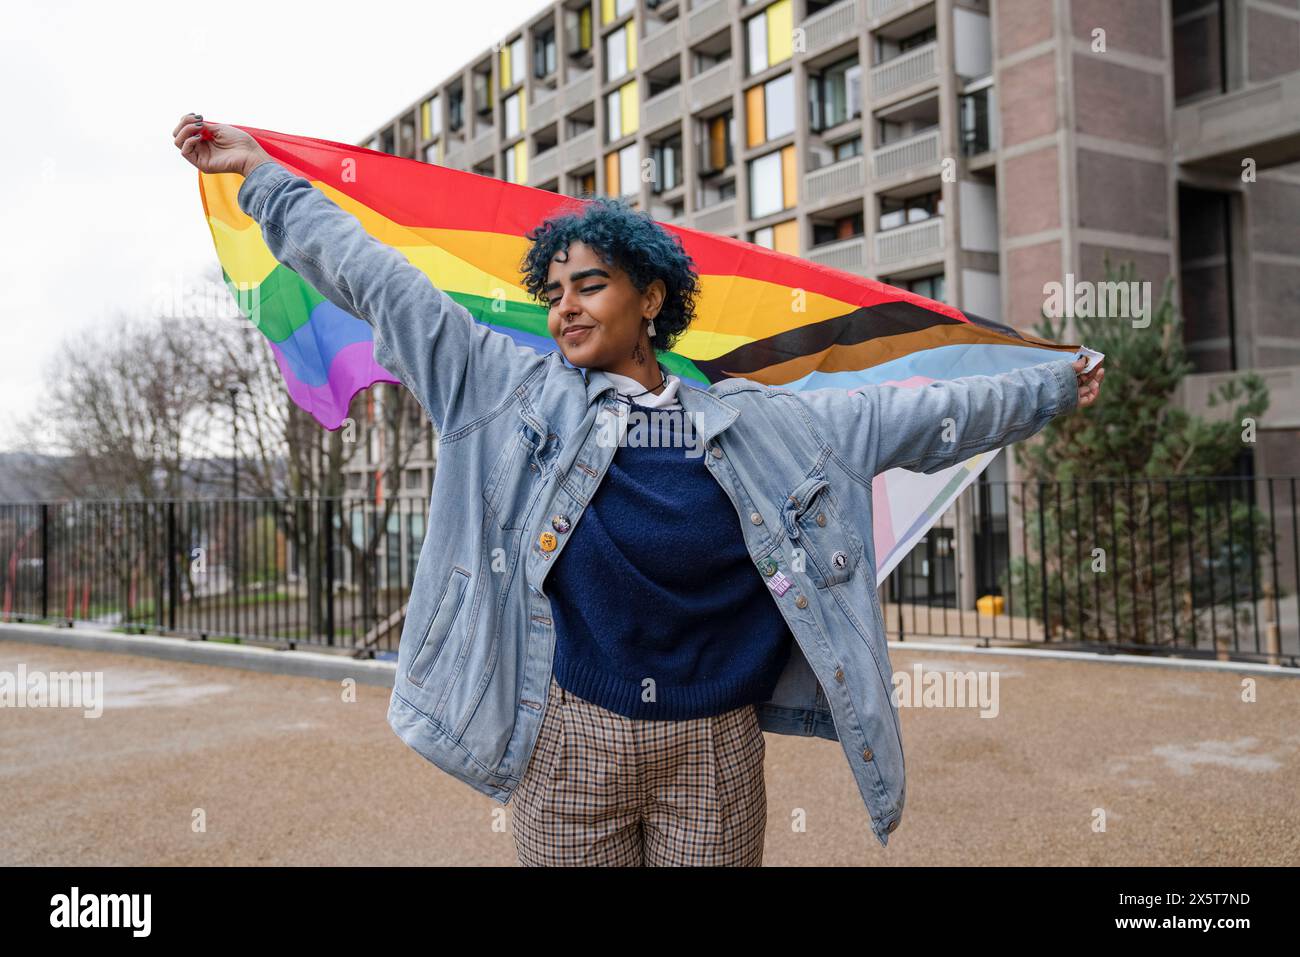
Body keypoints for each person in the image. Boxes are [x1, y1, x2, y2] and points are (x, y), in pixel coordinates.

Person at [172, 114, 1104, 866]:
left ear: (650, 299)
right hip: (568, 737)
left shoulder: (777, 425)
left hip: (716, 752)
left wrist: (1054, 382)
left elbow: (932, 415)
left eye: (591, 285)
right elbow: (384, 284)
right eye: (554, 290)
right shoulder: (505, 391)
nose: (564, 305)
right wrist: (263, 180)